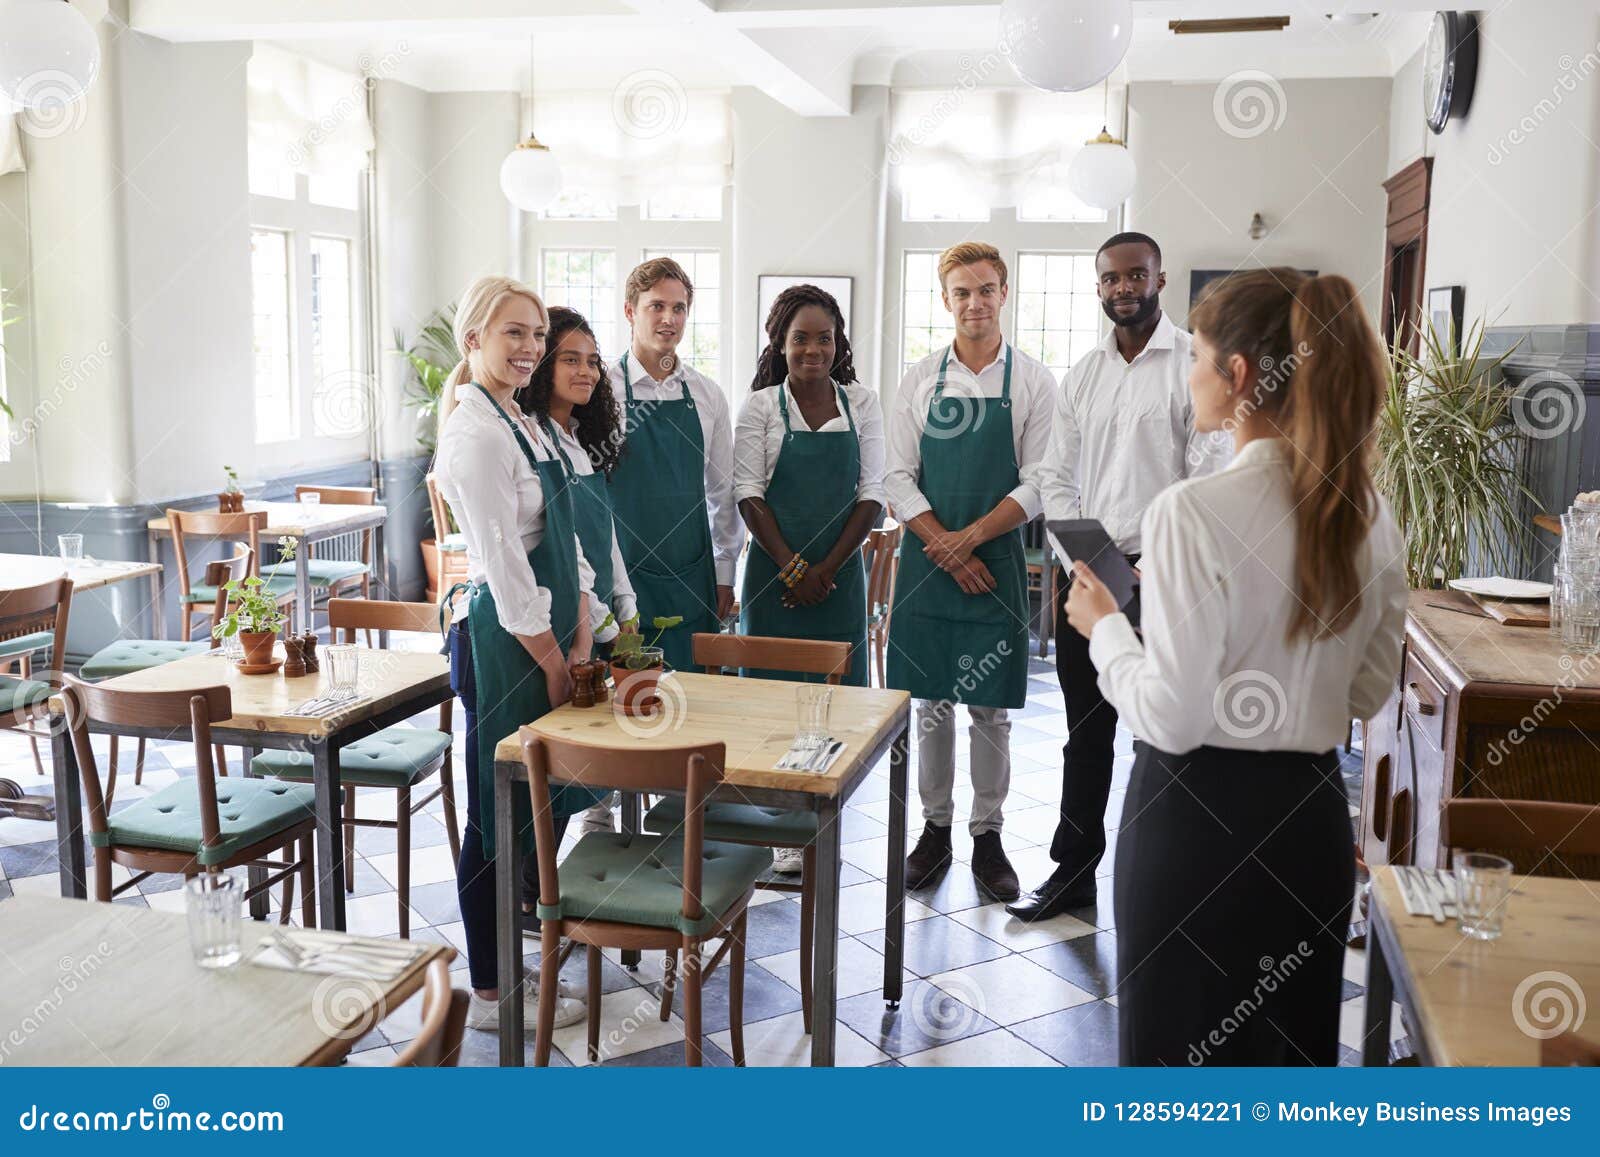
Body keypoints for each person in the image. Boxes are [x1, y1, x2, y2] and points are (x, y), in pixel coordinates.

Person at [1064, 268, 1405, 1065]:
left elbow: (1174, 718)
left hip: (1196, 827)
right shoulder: (1369, 513)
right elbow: (1367, 688)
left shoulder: (1189, 511)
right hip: (1308, 827)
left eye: (1197, 356)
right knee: (1286, 1073)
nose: (1187, 375)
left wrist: (1108, 629)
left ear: (1239, 375)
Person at [1009, 231, 1227, 922]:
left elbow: (1208, 475)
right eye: (1110, 278)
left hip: (1171, 579)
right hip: (1092, 578)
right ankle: (1073, 873)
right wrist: (1088, 556)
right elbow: (1054, 475)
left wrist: (1155, 560)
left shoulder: (1192, 362)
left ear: (1160, 278)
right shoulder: (1084, 374)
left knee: (1165, 734)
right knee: (1087, 730)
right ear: (1098, 285)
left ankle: (1162, 883)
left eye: (1136, 275)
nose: (1123, 287)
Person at [433, 276, 604, 1033]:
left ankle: (514, 954)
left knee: (538, 802)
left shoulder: (522, 421)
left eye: (537, 332)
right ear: (474, 339)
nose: (531, 346)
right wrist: (552, 656)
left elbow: (563, 540)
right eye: (514, 333)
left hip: (552, 637)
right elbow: (505, 569)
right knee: (495, 810)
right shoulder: (473, 432)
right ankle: (493, 989)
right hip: (508, 644)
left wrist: (582, 628)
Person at [883, 242, 1054, 903]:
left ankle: (988, 834)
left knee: (989, 710)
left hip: (997, 560)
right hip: (929, 564)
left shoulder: (1033, 381)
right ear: (945, 298)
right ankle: (934, 831)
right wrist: (945, 546)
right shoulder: (922, 379)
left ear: (1004, 293)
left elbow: (1040, 480)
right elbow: (897, 475)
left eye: (985, 289)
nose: (974, 302)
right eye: (961, 291)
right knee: (932, 706)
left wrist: (973, 540)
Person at [735, 286, 884, 872]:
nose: (813, 349)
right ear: (780, 342)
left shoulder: (862, 404)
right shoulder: (760, 408)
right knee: (774, 696)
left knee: (832, 702)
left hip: (841, 578)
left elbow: (872, 495)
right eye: (801, 338)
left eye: (825, 338)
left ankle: (821, 812)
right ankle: (778, 823)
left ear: (838, 342)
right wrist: (795, 569)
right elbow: (748, 494)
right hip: (774, 580)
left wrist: (825, 571)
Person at [606, 257, 744, 672]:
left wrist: (725, 572)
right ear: (630, 311)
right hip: (620, 573)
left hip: (691, 574)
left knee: (694, 699)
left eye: (679, 308)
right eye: (657, 306)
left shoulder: (707, 394)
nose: (669, 318)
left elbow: (723, 490)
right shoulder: (600, 390)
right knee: (627, 706)